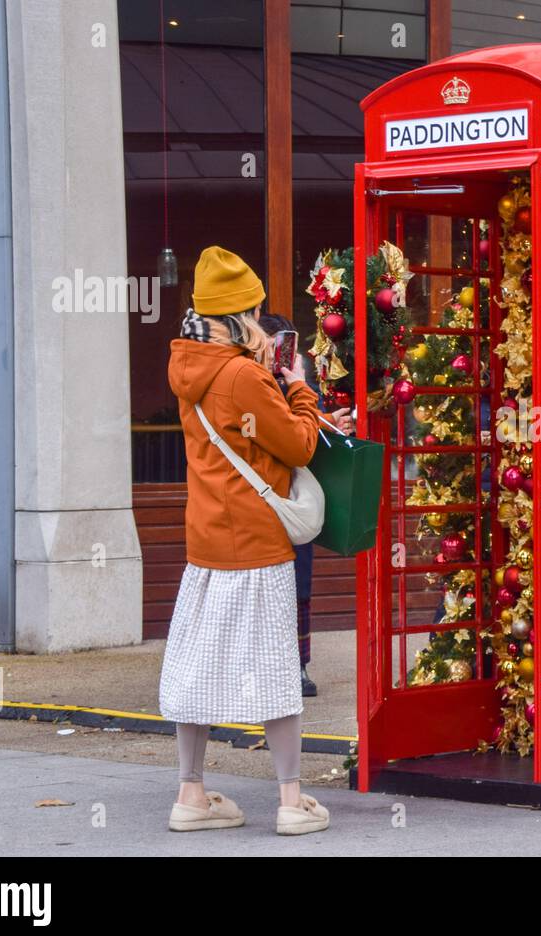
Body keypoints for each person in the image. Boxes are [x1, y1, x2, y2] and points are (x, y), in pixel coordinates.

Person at [159, 246, 339, 836]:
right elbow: (300, 446)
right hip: (257, 545)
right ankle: (291, 801)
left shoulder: (188, 363)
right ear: (242, 315)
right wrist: (300, 387)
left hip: (206, 542)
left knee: (195, 670)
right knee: (275, 671)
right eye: (257, 312)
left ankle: (192, 795)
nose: (262, 322)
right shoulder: (241, 374)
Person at [258, 312, 350, 697]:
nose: (282, 354)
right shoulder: (255, 385)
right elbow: (286, 432)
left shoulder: (292, 381)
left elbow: (303, 426)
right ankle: (267, 666)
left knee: (299, 585)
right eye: (276, 345)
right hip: (264, 501)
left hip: (294, 499)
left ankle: (297, 664)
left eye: (287, 345)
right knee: (266, 588)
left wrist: (329, 420)